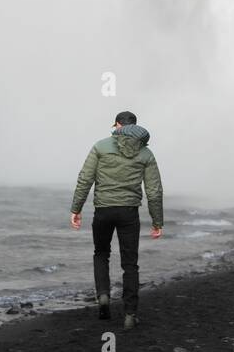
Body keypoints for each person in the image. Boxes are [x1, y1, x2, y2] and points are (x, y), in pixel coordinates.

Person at [69, 110, 164, 330]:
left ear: (118, 125)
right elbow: (154, 191)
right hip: (129, 213)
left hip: (103, 210)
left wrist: (76, 208)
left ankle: (103, 296)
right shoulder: (146, 154)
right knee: (130, 264)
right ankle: (130, 314)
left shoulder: (101, 146)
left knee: (101, 254)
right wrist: (157, 221)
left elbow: (85, 179)